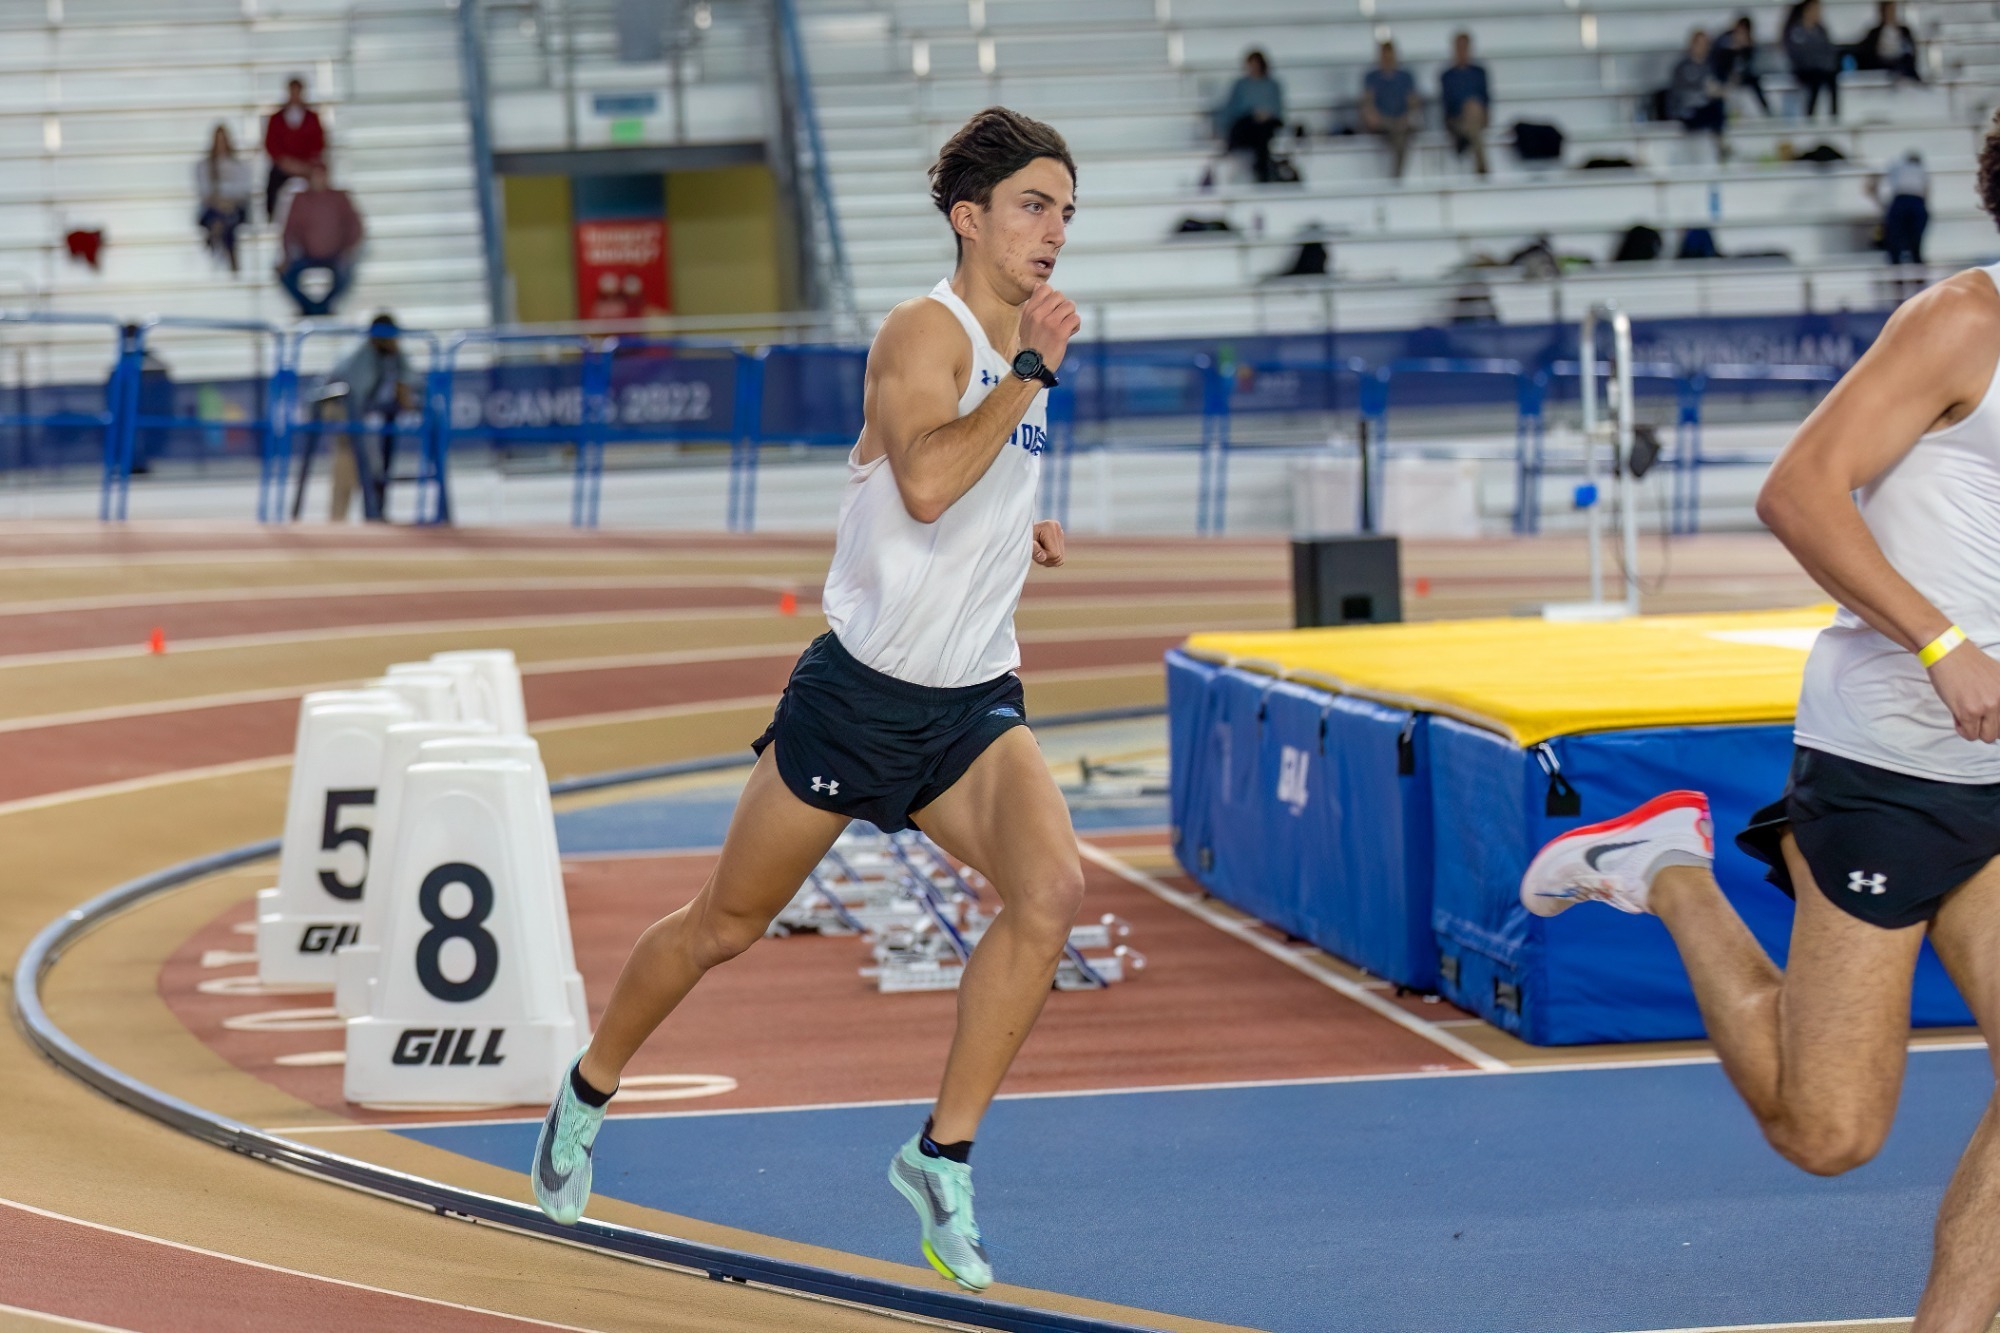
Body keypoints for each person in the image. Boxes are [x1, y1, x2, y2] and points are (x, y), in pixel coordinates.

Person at [529, 105, 1083, 1294]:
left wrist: (1021, 523)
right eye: (1035, 206)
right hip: (856, 699)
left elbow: (966, 490)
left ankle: (939, 1156)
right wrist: (1029, 371)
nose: (1053, 232)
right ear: (969, 217)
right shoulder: (919, 332)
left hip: (967, 707)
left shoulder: (1019, 356)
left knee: (1050, 894)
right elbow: (927, 479)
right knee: (720, 927)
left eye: (1065, 213)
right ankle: (588, 1089)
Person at [1519, 117, 2000, 1331]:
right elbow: (1794, 490)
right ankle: (1667, 867)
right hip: (1890, 759)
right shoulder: (1961, 322)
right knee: (1826, 1130)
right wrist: (1941, 645)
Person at [324, 312, 418, 521]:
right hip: (337, 404)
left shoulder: (394, 353)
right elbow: (353, 397)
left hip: (364, 411)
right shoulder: (361, 357)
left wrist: (409, 401)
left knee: (373, 462)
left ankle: (374, 512)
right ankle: (337, 521)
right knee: (349, 459)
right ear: (376, 337)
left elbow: (408, 382)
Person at [275, 163, 363, 317]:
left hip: (336, 255)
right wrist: (287, 256)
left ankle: (323, 307)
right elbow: (288, 231)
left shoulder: (340, 198)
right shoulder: (300, 199)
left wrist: (348, 250)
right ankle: (312, 308)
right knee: (284, 273)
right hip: (306, 255)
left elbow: (355, 226)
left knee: (347, 270)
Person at [1215, 49, 1285, 185]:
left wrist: (1266, 114)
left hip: (1268, 122)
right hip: (1247, 122)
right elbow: (1232, 109)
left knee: (1262, 131)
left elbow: (1278, 109)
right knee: (1252, 130)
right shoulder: (1240, 85)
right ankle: (1261, 171)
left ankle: (1262, 170)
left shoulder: (1272, 85)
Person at [261, 77, 325, 222]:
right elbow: (271, 144)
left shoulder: (312, 118)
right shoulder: (276, 119)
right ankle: (271, 218)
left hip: (307, 166)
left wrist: (304, 165)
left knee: (319, 178)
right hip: (284, 166)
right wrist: (285, 162)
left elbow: (318, 143)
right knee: (272, 185)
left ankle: (320, 217)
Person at [194, 124, 252, 274]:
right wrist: (220, 202)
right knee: (224, 218)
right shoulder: (204, 166)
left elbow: (243, 191)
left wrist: (229, 202)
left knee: (227, 218)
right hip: (214, 207)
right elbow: (204, 192)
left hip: (234, 207)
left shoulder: (238, 165)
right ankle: (231, 256)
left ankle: (217, 239)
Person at [1362, 40, 1420, 179]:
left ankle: (1396, 176)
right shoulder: (1372, 77)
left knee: (1401, 132)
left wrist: (1409, 116)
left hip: (1400, 120)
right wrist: (1371, 116)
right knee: (1398, 131)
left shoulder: (1405, 77)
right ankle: (1396, 177)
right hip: (1382, 120)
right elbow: (1367, 102)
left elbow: (1412, 101)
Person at [1438, 31, 1492, 177]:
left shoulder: (1479, 72)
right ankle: (1482, 166)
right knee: (1471, 107)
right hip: (1457, 120)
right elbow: (1447, 103)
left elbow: (1486, 97)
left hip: (1477, 117)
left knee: (1473, 108)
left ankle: (1469, 144)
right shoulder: (1447, 75)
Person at [1668, 30, 1729, 154]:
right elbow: (1681, 93)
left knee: (1718, 106)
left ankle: (1719, 141)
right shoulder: (1682, 67)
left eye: (1705, 44)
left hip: (1705, 107)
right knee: (1713, 112)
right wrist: (1705, 92)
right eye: (1700, 44)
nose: (1703, 47)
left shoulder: (1711, 66)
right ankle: (1719, 144)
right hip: (1687, 110)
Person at [1785, 0, 1841, 121]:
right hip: (1803, 69)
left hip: (1821, 68)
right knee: (1815, 79)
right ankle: (1809, 115)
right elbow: (1796, 53)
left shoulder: (1821, 30)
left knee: (1831, 78)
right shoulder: (1796, 31)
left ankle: (1834, 115)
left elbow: (1829, 50)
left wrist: (1826, 65)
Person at [1710, 14, 1770, 115]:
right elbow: (1717, 67)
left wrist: (1745, 51)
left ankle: (1766, 115)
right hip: (1723, 84)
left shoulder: (1750, 50)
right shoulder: (1721, 46)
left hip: (1741, 85)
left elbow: (1750, 70)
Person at [1853, 0, 1922, 82]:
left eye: (1892, 11)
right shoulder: (1874, 33)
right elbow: (1867, 53)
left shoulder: (1904, 31)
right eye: (1887, 11)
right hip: (1881, 66)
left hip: (1901, 66)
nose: (1890, 14)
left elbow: (1911, 51)